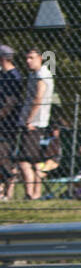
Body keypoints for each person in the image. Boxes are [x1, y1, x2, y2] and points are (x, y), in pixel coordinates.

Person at [17, 48, 54, 201]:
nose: (28, 61)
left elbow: (39, 98)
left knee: (24, 161)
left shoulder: (42, 74)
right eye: (26, 58)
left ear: (40, 58)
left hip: (35, 124)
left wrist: (29, 120)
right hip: (33, 122)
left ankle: (31, 194)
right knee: (35, 161)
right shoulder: (34, 74)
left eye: (31, 58)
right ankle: (35, 194)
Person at [0, 44, 23, 200]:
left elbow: (11, 102)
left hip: (6, 124)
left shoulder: (12, 76)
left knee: (4, 157)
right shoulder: (4, 75)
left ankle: (8, 190)